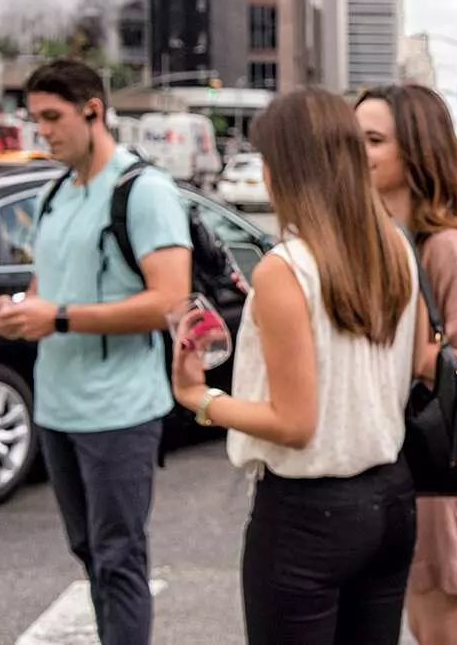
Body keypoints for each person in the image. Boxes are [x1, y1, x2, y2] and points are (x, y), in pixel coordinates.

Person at [169, 87, 429, 644]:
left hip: (308, 514)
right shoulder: (395, 247)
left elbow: (294, 423)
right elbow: (416, 364)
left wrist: (199, 397)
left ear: (285, 169)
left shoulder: (285, 269)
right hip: (390, 499)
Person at [0, 59, 192, 645]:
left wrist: (58, 317)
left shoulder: (143, 191)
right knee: (89, 553)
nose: (43, 132)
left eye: (53, 118)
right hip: (57, 407)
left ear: (93, 111)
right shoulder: (55, 191)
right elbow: (46, 287)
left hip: (120, 411)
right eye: (36, 120)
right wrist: (21, 315)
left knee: (119, 558)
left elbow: (170, 302)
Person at [356, 84, 457, 645]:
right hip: (406, 464)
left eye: (373, 140)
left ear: (416, 151)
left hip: (449, 465)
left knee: (446, 630)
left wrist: (397, 351)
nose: (358, 152)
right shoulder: (386, 242)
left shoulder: (445, 246)